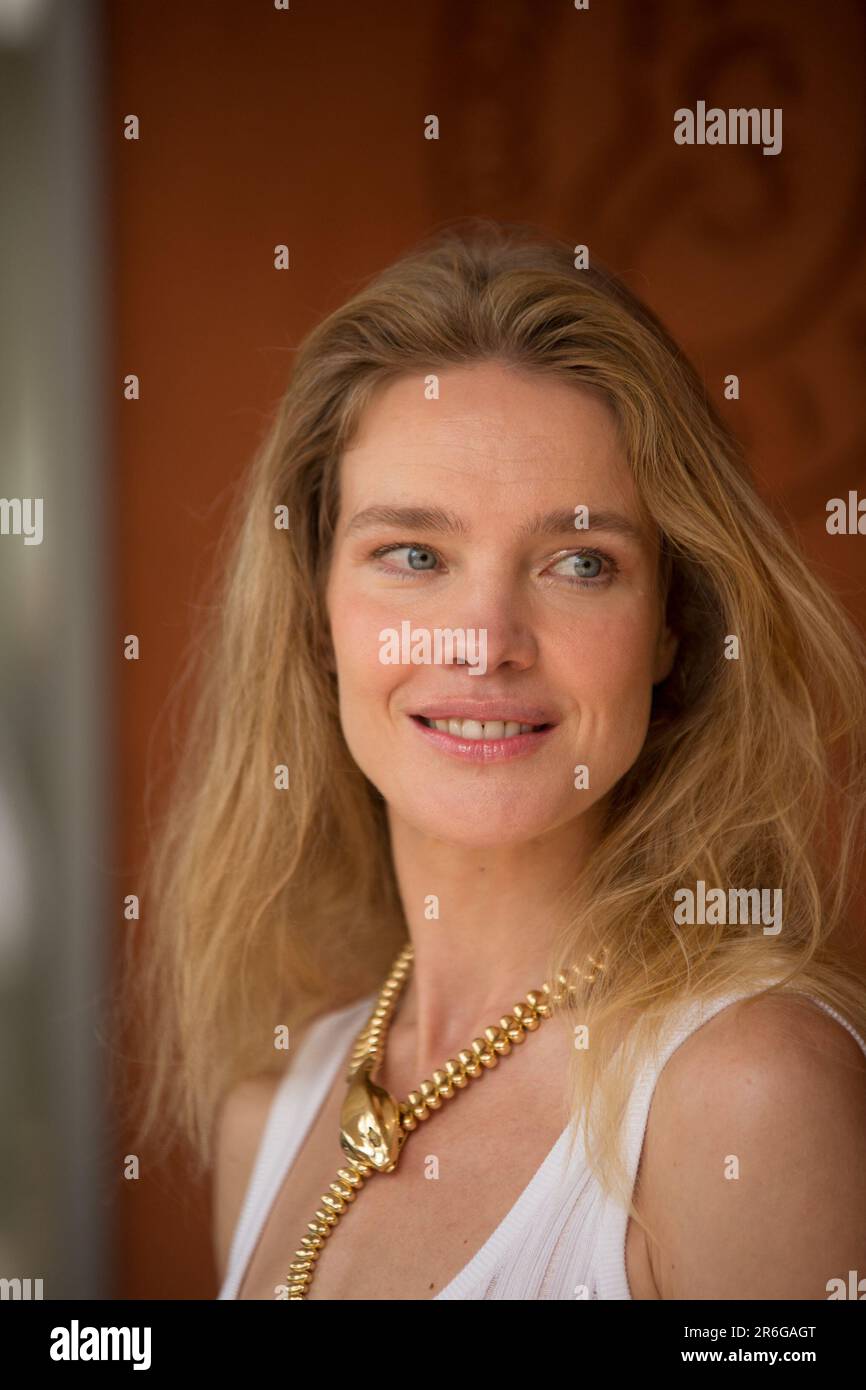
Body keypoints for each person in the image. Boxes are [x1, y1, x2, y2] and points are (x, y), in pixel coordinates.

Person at [120, 218, 866, 1300]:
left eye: (579, 562)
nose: (484, 643)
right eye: (412, 555)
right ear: (315, 616)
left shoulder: (749, 1098)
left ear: (671, 626)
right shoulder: (269, 1114)